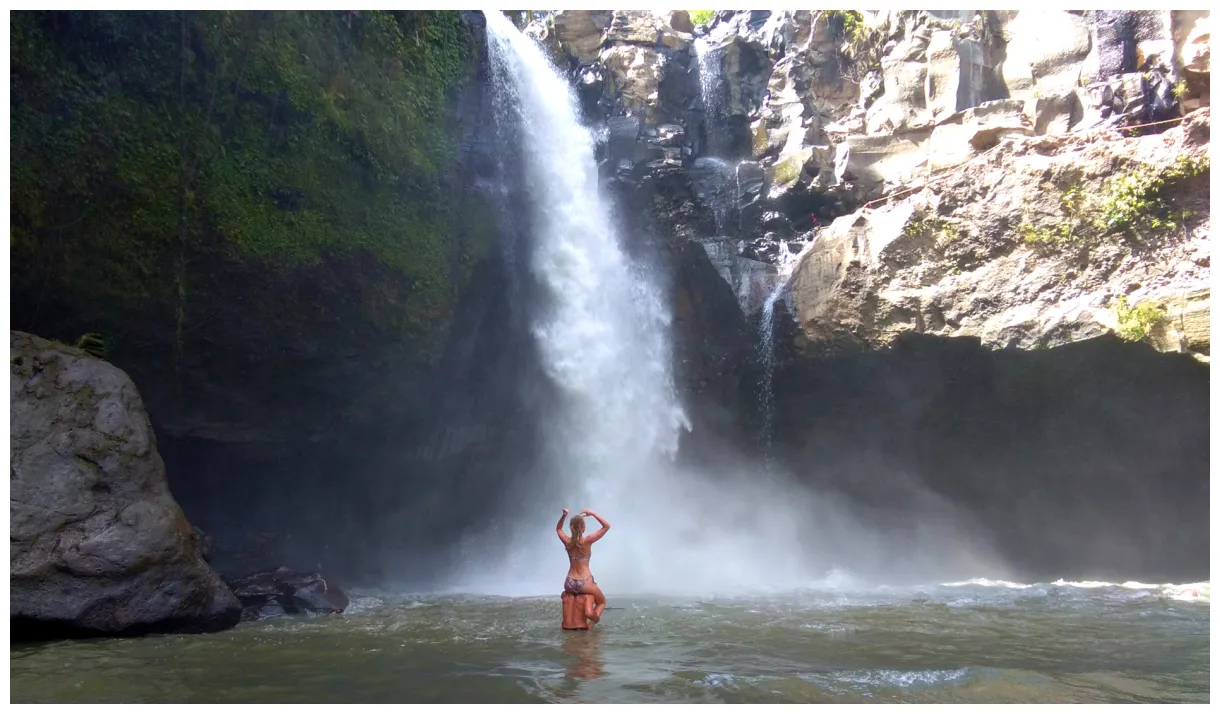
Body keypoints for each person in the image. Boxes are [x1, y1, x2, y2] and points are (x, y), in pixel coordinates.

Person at [556, 507, 610, 623]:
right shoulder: (587, 541)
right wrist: (593, 513)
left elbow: (558, 529)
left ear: (571, 528)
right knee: (602, 602)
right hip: (585, 583)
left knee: (570, 595)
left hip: (569, 582)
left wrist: (564, 515)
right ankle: (592, 622)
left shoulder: (567, 541)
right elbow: (606, 526)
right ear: (583, 528)